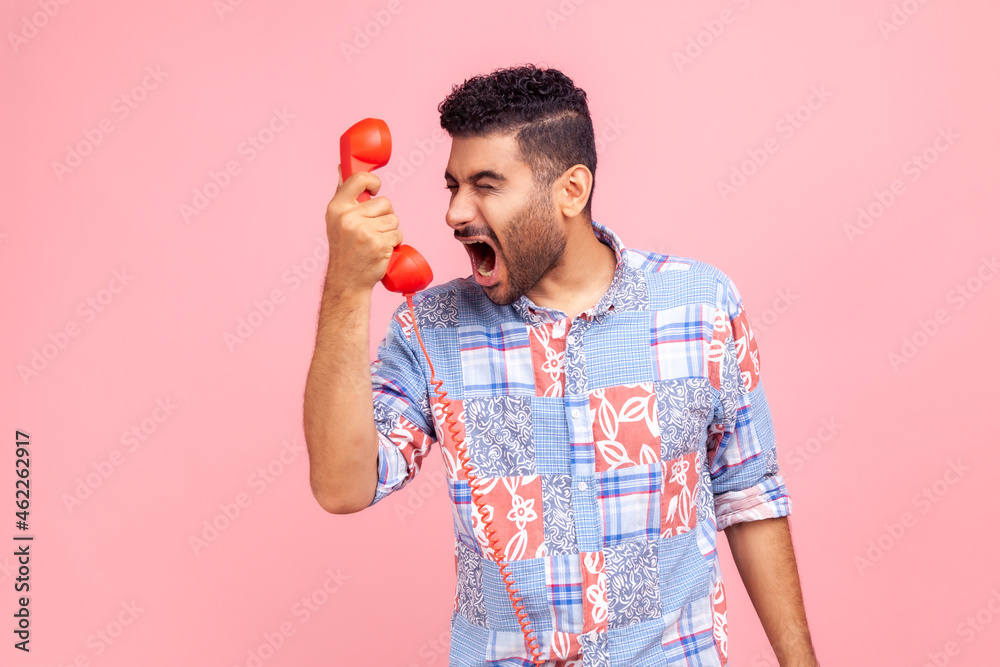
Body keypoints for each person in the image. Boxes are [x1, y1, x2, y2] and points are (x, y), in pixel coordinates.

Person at [303, 64, 819, 667]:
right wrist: (347, 285)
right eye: (452, 186)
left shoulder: (700, 304)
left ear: (571, 190)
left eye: (486, 185)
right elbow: (341, 487)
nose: (455, 214)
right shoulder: (430, 328)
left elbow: (747, 493)